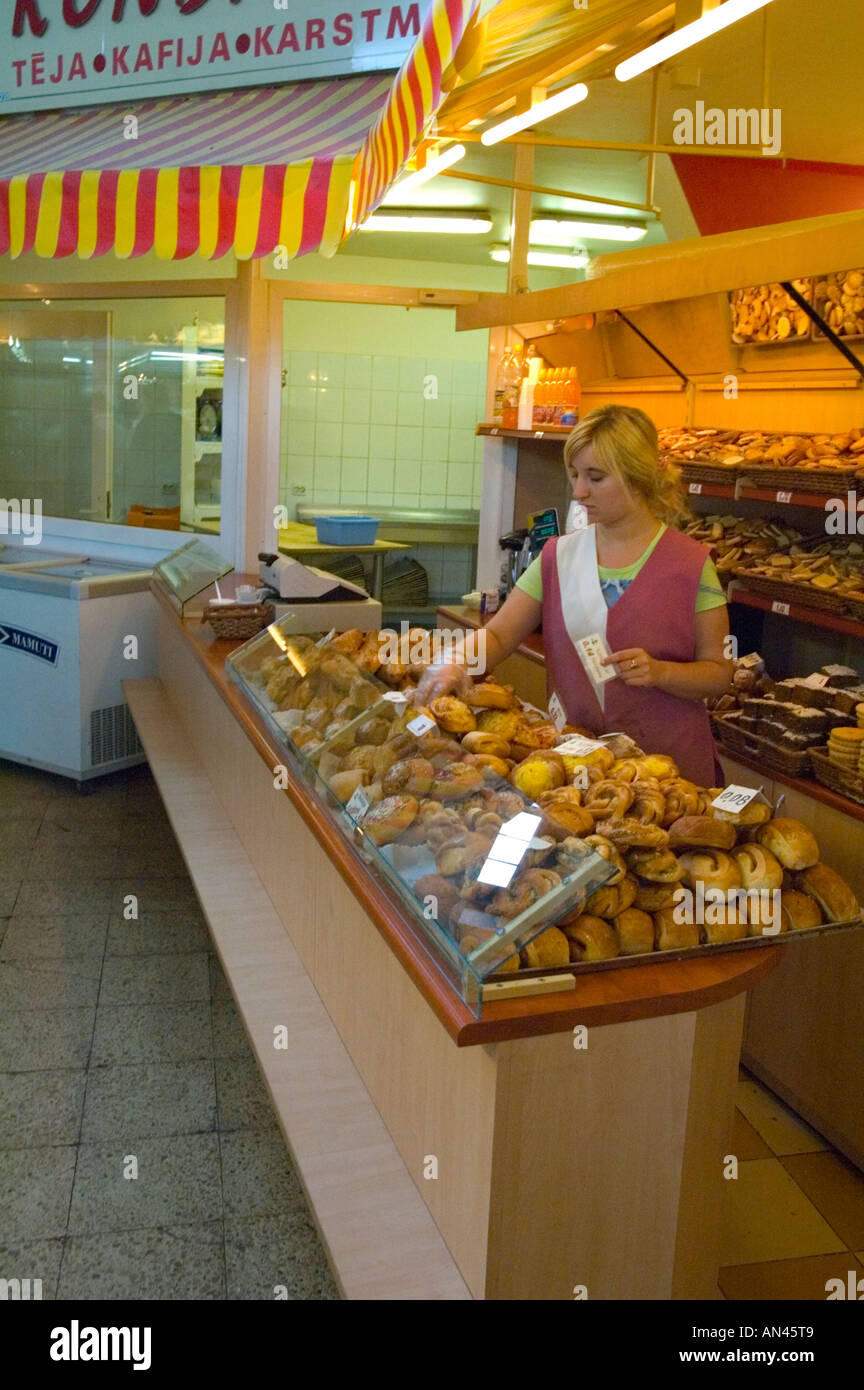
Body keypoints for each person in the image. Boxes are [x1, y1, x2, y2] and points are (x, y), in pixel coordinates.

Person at [419, 404, 732, 785]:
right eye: (574, 475)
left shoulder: (693, 565)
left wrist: (662, 672)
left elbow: (718, 673)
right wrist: (454, 661)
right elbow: (499, 635)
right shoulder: (558, 556)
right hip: (577, 767)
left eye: (595, 477)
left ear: (639, 477)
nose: (579, 491)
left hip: (670, 774)